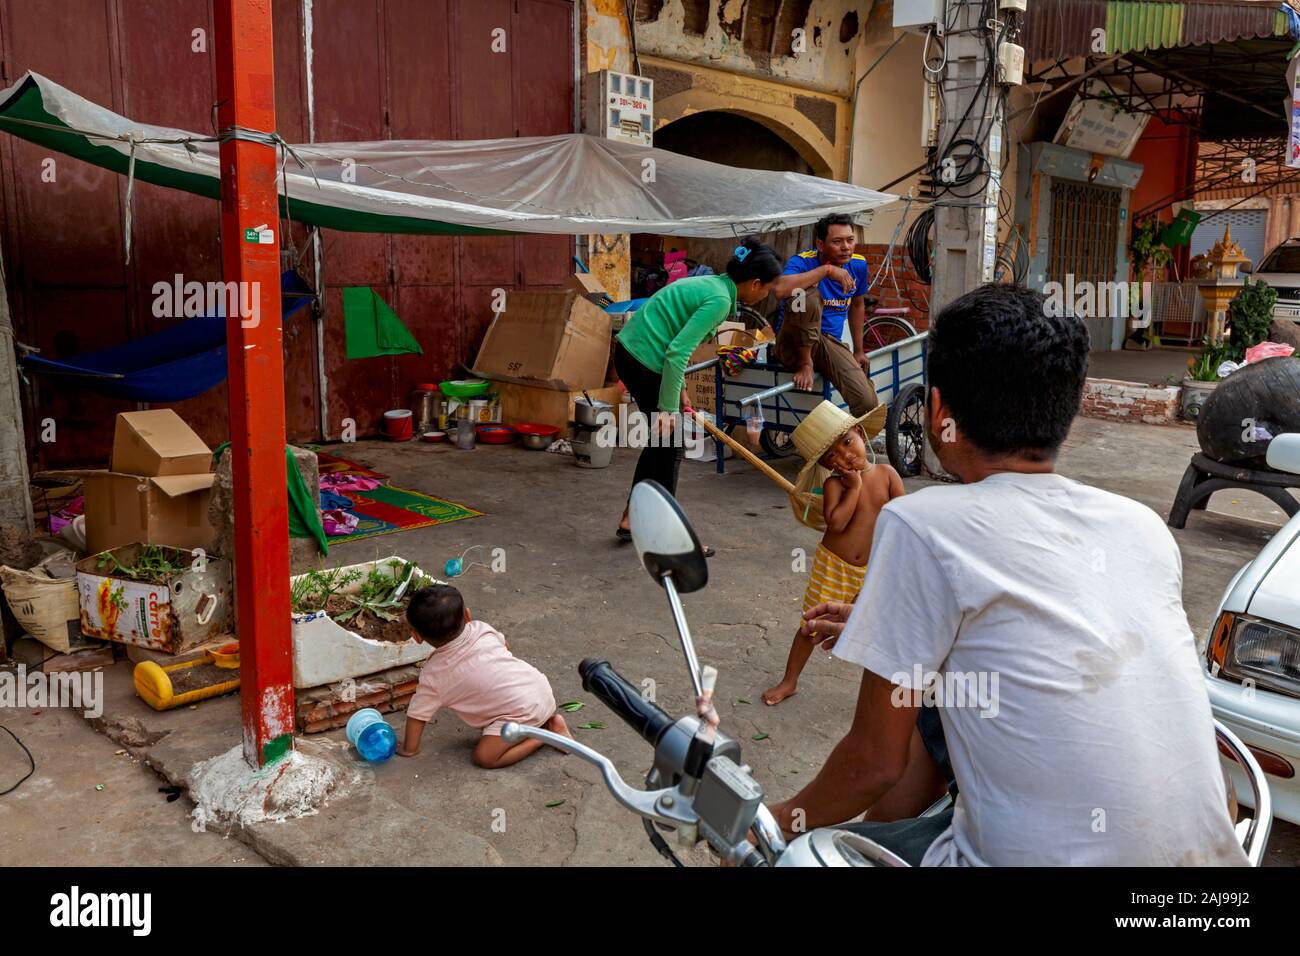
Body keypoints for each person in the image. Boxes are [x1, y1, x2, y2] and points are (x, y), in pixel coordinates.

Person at [768, 283, 1247, 866]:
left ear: (938, 410)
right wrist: (893, 624)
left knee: (800, 852)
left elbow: (873, 762)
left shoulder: (921, 524)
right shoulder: (1140, 527)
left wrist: (771, 820)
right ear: (1069, 408)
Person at [614, 237, 782, 552]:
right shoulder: (719, 300)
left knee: (660, 445)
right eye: (769, 289)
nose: (767, 294)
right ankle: (669, 537)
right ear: (756, 284)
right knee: (671, 447)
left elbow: (673, 344)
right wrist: (666, 409)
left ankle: (631, 519)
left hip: (633, 353)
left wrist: (681, 396)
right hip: (643, 360)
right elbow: (677, 353)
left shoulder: (715, 286)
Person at [762, 400, 902, 706]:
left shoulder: (887, 474)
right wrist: (853, 488)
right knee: (812, 626)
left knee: (883, 626)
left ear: (861, 434)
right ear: (826, 465)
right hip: (834, 566)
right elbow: (836, 524)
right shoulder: (835, 486)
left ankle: (888, 691)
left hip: (873, 568)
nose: (845, 456)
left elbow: (904, 516)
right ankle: (790, 681)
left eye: (847, 443)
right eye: (832, 456)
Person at [396, 585, 571, 768]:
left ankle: (547, 735)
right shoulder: (482, 629)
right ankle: (545, 722)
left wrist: (410, 749)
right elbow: (505, 647)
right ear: (468, 616)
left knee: (485, 757)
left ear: (416, 636)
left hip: (523, 712)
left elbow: (417, 715)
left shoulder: (434, 675)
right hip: (540, 688)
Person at [768, 214, 878, 416]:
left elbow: (857, 305)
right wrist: (827, 270)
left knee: (867, 401)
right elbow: (780, 290)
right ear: (820, 244)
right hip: (792, 344)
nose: (846, 247)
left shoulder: (858, 265)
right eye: (837, 241)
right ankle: (805, 362)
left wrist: (859, 350)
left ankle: (841, 443)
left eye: (850, 240)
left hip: (828, 344)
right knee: (805, 296)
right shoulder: (802, 262)